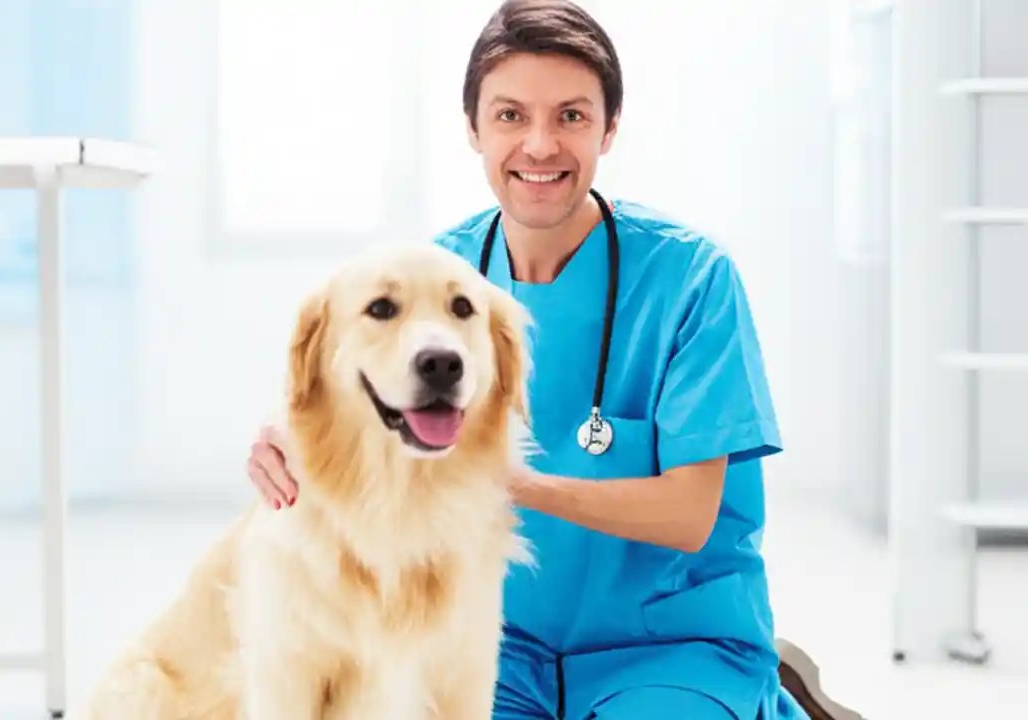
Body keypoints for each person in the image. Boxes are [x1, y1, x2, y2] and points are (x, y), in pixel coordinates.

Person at [247, 1, 809, 718]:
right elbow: (355, 381)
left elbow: (690, 514)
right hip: (488, 642)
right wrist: (287, 434)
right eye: (511, 116)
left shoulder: (691, 277)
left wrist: (511, 481)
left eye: (571, 116)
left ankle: (774, 698)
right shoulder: (442, 270)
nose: (540, 145)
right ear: (474, 131)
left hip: (670, 646)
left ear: (609, 129)